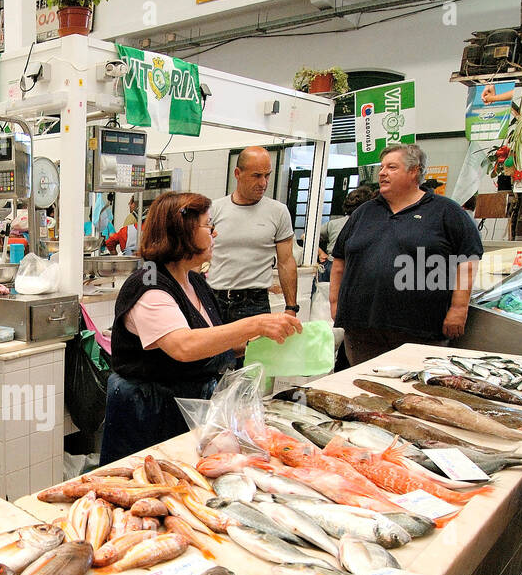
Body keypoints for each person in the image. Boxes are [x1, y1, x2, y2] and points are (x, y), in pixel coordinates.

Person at [101, 191, 302, 464]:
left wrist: (262, 340)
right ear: (182, 231)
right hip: (147, 413)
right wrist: (253, 323)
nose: (215, 234)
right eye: (208, 226)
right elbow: (184, 346)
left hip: (185, 411)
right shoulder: (149, 282)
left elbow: (213, 339)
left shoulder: (194, 281)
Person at [330, 143, 483, 367]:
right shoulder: (364, 212)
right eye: (382, 167)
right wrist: (335, 302)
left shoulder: (447, 212)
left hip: (420, 330)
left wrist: (459, 308)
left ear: (414, 171)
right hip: (362, 329)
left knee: (412, 386)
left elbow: (468, 262)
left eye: (392, 167)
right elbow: (339, 262)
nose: (382, 173)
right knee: (363, 383)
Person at [208, 147, 300, 330]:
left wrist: (291, 307)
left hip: (254, 303)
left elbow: (286, 262)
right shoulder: (214, 209)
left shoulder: (278, 212)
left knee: (255, 350)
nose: (263, 183)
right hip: (215, 300)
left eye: (267, 175)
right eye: (256, 176)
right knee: (212, 349)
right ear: (237, 173)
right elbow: (196, 256)